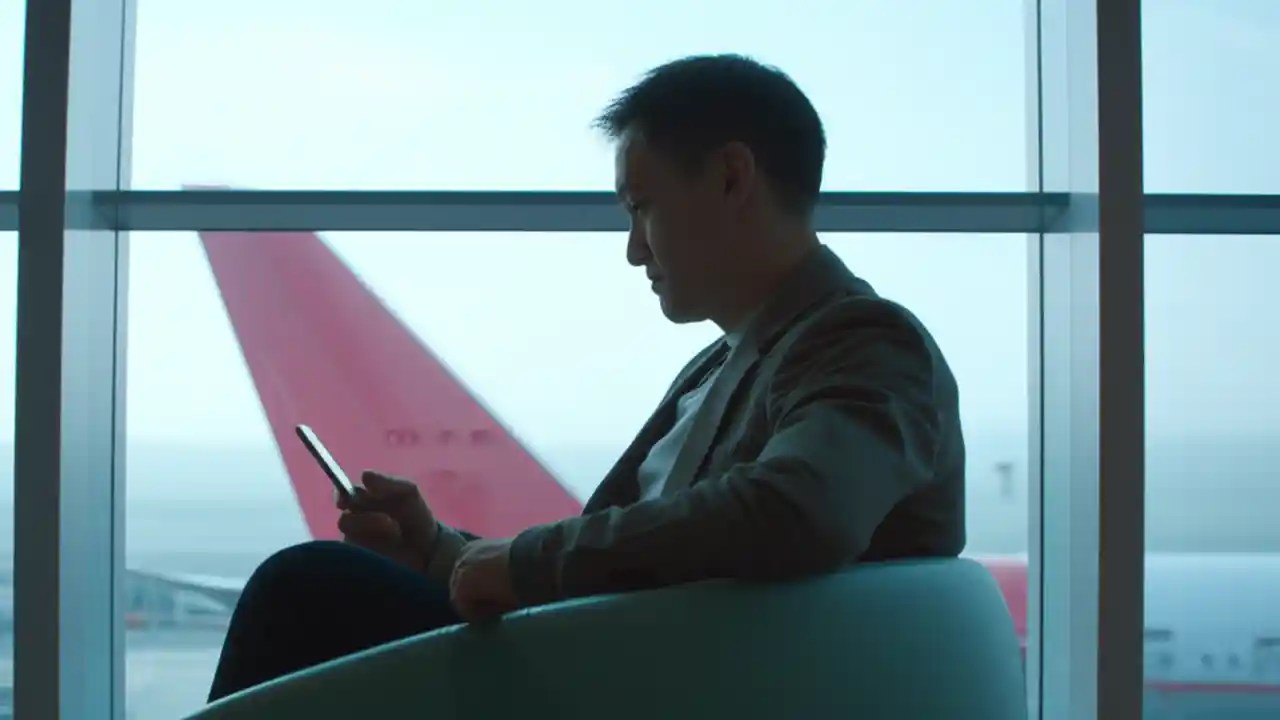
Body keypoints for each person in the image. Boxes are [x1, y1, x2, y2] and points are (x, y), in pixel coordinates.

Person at [206, 53, 965, 702]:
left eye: (642, 209)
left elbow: (800, 512)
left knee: (305, 591)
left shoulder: (864, 342)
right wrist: (440, 552)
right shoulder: (727, 363)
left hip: (677, 689)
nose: (635, 251)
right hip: (636, 670)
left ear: (734, 179)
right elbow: (662, 547)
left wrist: (524, 566)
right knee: (322, 592)